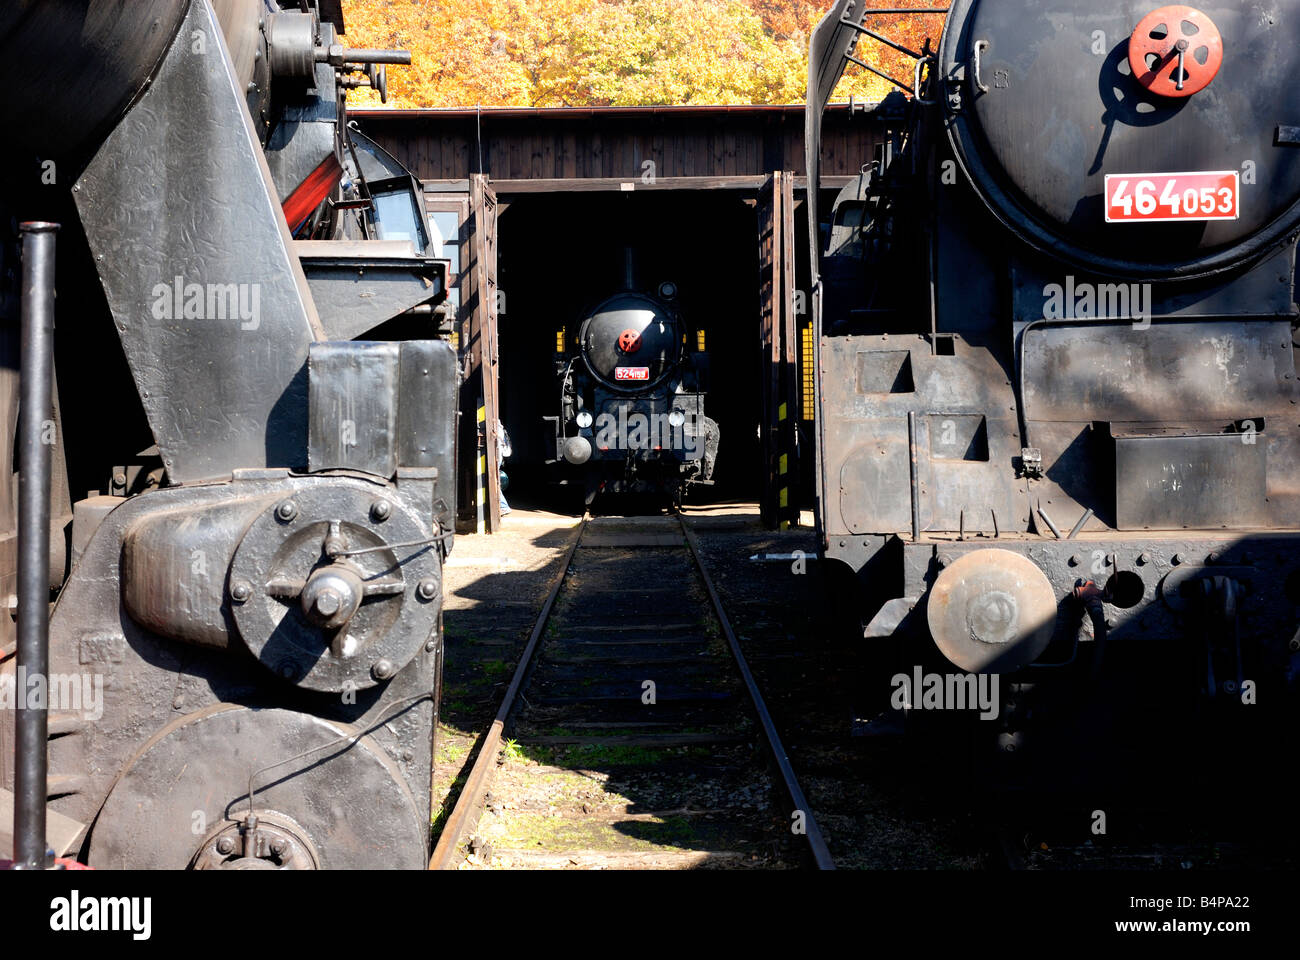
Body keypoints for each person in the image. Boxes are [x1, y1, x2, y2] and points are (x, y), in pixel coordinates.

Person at [497, 421, 512, 516]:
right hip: (499, 456)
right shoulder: (501, 428)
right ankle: (503, 506)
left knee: (495, 482)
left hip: (497, 456)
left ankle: (503, 506)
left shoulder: (497, 428)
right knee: (495, 482)